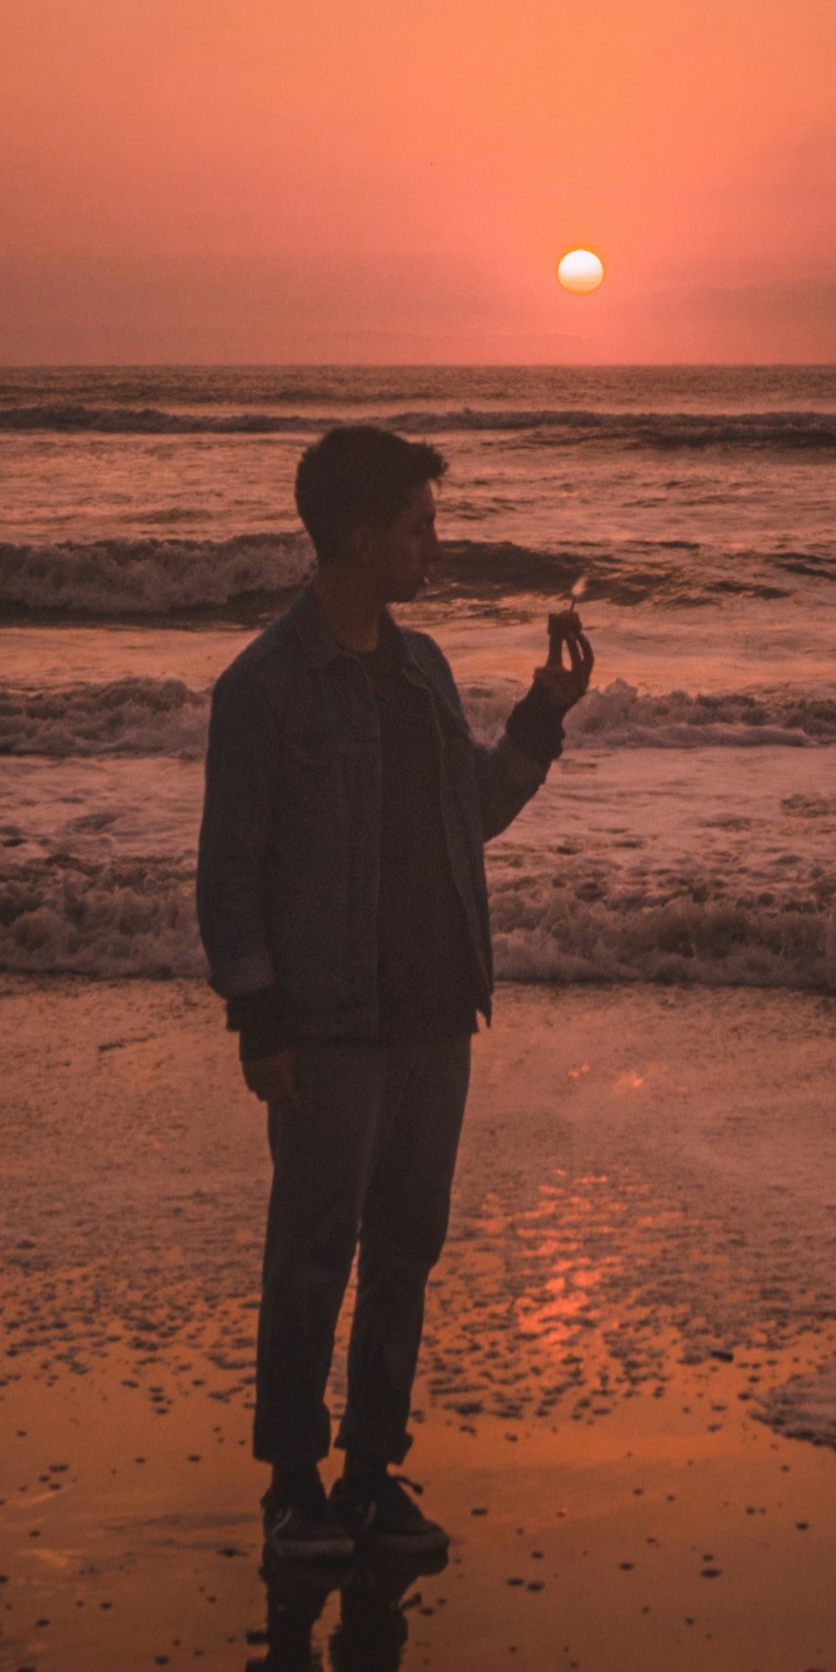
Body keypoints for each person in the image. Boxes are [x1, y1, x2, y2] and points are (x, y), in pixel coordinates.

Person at [194, 423, 592, 1575]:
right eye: (420, 523)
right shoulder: (263, 689)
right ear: (359, 534)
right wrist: (257, 1018)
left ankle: (370, 1474)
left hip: (433, 1010)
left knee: (405, 1249)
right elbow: (228, 873)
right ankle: (290, 1487)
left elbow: (464, 813)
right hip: (328, 1023)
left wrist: (540, 717)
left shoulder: (419, 667)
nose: (436, 542)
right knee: (313, 1252)